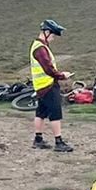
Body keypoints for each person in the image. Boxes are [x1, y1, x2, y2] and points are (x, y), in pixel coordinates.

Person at [30, 19, 74, 152]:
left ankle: (38, 140)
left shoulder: (37, 46)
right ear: (47, 32)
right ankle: (58, 142)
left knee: (41, 113)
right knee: (55, 113)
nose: (53, 38)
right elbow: (48, 69)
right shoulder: (41, 49)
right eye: (53, 35)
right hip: (48, 85)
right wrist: (62, 76)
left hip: (40, 86)